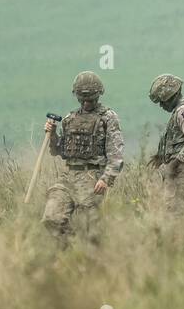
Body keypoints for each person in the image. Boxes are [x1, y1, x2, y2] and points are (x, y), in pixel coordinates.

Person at [41, 71, 124, 242]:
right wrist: (53, 134)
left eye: (91, 98)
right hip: (69, 177)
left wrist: (106, 178)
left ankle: (87, 258)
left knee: (90, 231)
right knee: (51, 218)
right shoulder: (69, 119)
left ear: (98, 95)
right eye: (83, 98)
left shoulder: (108, 118)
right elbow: (59, 151)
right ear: (77, 96)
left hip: (92, 178)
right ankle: (67, 249)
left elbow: (116, 154)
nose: (87, 102)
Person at [148, 73, 184, 213]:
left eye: (163, 101)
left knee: (178, 214)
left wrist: (175, 163)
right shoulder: (181, 111)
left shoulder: (183, 111)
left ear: (171, 96)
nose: (161, 105)